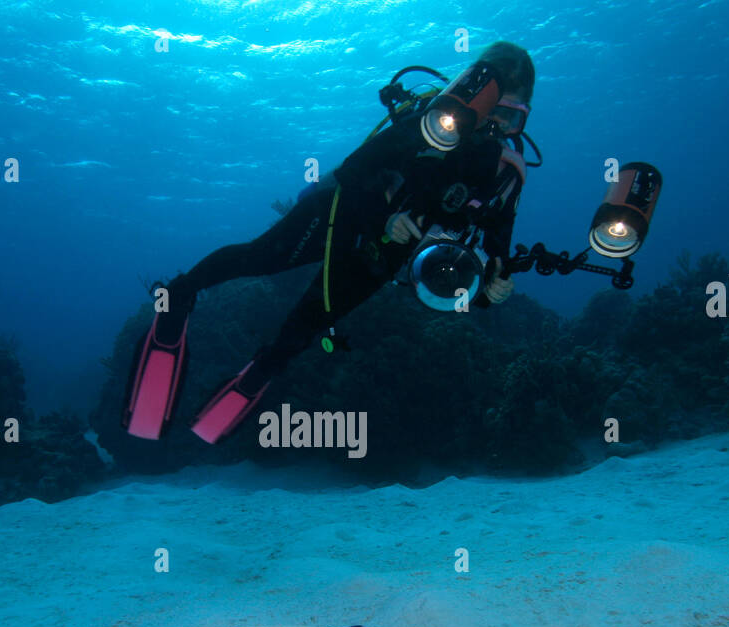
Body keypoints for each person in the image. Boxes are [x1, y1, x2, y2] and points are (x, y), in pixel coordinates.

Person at [123, 41, 535, 443]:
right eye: (491, 108)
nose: (495, 124)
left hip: (381, 259)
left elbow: (492, 259)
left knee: (302, 331)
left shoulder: (506, 175)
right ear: (473, 93)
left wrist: (493, 288)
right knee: (259, 257)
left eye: (511, 117)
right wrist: (389, 215)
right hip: (338, 215)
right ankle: (178, 296)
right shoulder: (431, 123)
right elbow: (356, 169)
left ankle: (257, 374)